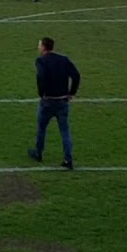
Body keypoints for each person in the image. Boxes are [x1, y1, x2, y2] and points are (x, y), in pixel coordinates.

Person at [27, 37, 80, 171]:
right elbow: (76, 75)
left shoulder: (41, 61)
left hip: (48, 101)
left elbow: (40, 77)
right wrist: (72, 92)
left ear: (44, 47)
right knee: (65, 131)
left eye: (39, 45)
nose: (38, 47)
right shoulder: (63, 59)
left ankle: (38, 153)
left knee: (41, 127)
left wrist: (41, 93)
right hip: (62, 101)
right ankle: (68, 159)